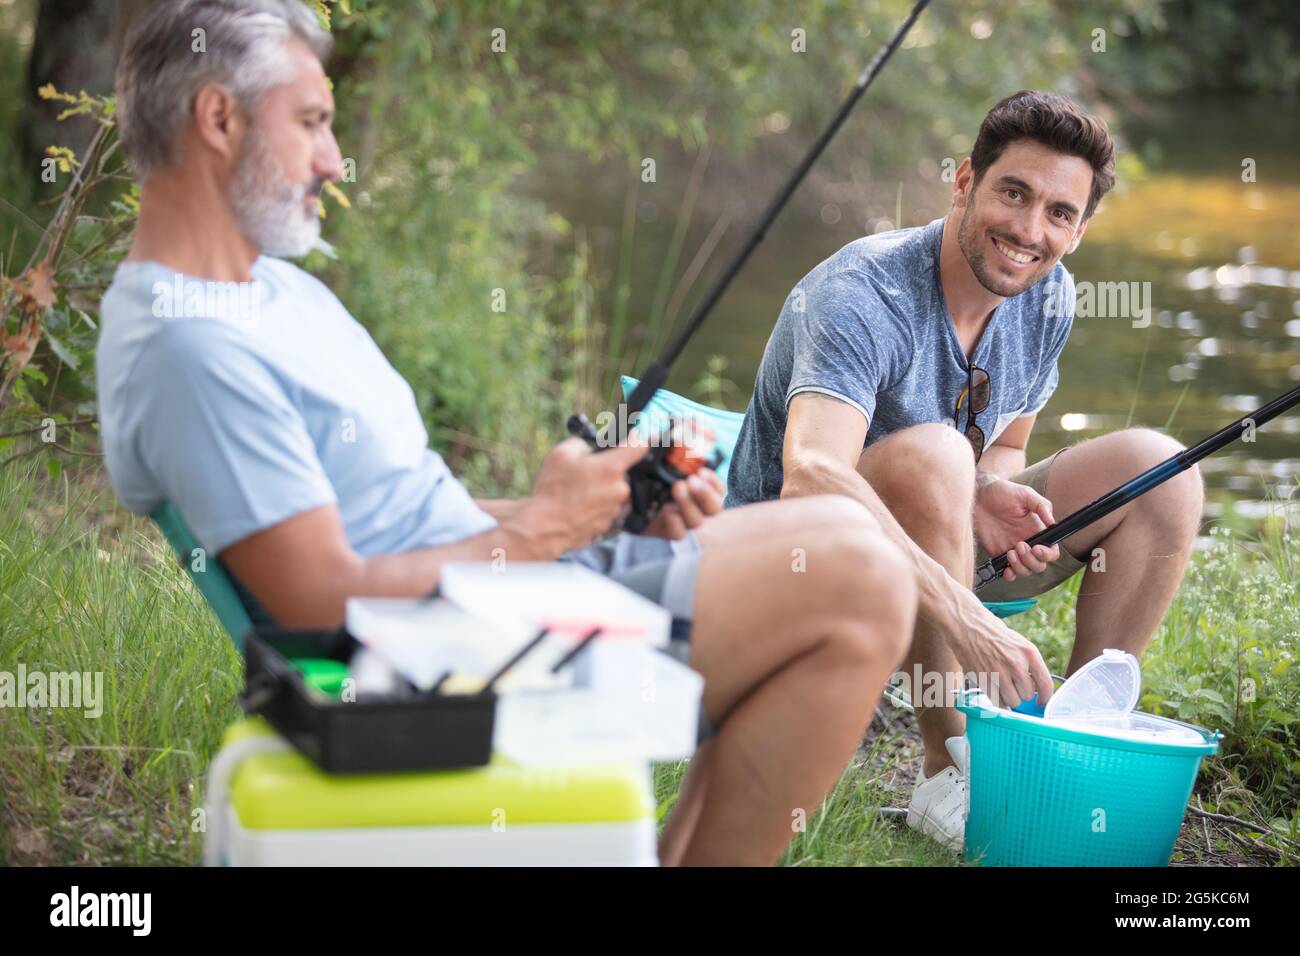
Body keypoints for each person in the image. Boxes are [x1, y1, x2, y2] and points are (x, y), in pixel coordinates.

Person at [96, 0, 919, 867]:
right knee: (861, 581)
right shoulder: (189, 346)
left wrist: (593, 511)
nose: (333, 161)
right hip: (423, 658)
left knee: (843, 531)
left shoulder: (269, 293)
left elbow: (400, 517)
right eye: (310, 123)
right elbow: (318, 600)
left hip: (483, 595)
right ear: (218, 118)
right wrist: (541, 531)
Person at [725, 90, 1204, 851]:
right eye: (1013, 193)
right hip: (791, 569)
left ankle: (1072, 739)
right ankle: (947, 770)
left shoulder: (1047, 296)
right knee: (940, 453)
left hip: (927, 543)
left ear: (1079, 231)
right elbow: (811, 471)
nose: (1028, 230)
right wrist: (963, 610)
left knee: (1162, 472)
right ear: (964, 182)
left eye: (1058, 212)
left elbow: (1005, 446)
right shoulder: (862, 292)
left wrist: (990, 493)